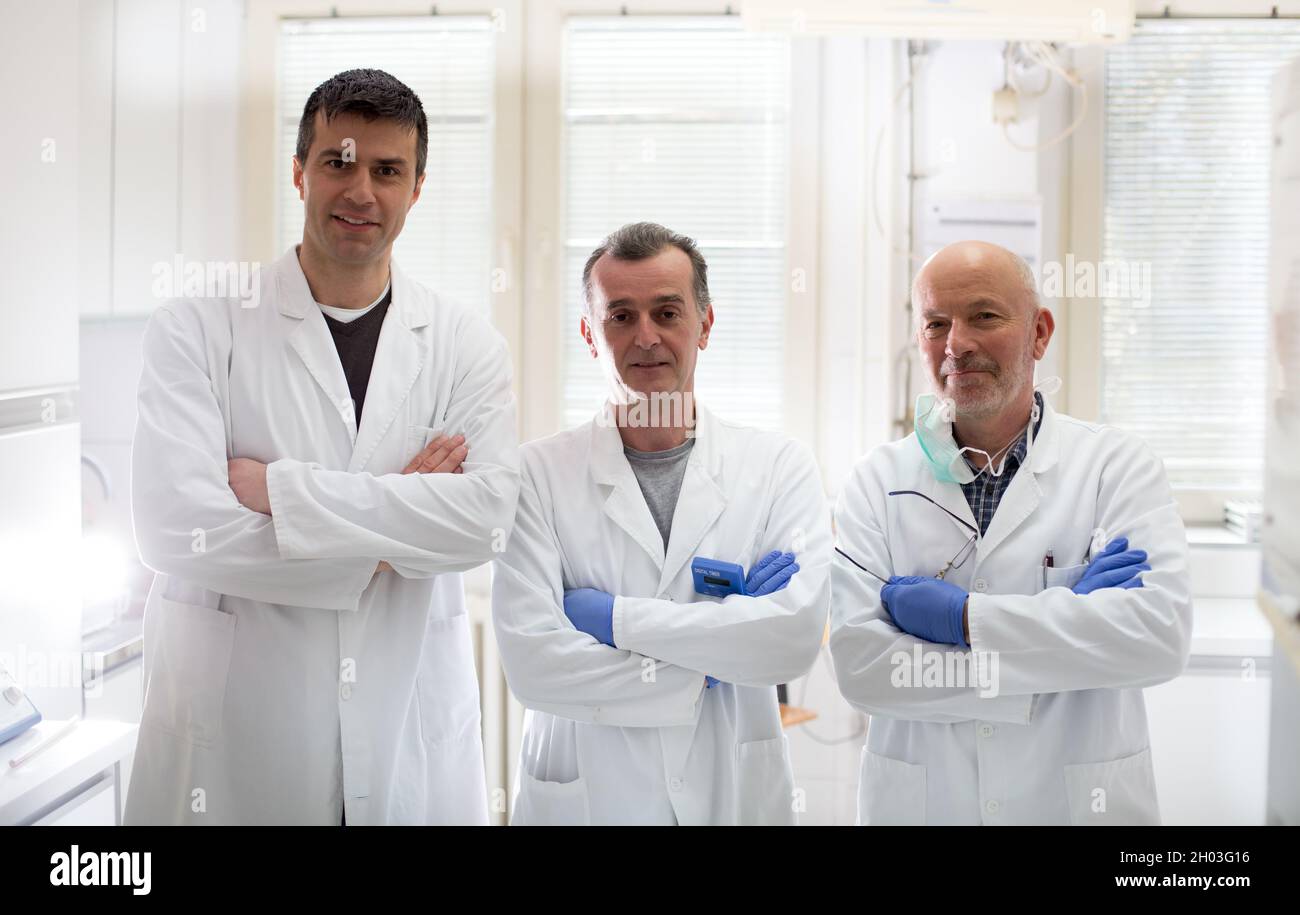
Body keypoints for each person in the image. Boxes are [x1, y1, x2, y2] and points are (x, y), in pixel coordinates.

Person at [125, 69, 520, 825]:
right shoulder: (199, 326)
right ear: (300, 172)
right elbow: (177, 528)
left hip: (407, 730)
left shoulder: (465, 344)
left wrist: (285, 494)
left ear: (417, 186)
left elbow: (485, 522)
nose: (360, 190)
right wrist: (390, 540)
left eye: (386, 169)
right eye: (338, 162)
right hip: (236, 750)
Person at [830, 240, 1192, 825]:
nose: (957, 345)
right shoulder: (876, 481)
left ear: (1039, 333)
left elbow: (1157, 639)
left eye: (984, 317)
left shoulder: (1116, 468)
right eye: (936, 324)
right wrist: (1067, 621)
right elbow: (863, 670)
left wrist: (965, 620)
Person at [491, 222, 829, 825]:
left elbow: (792, 642)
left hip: (732, 792)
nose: (645, 336)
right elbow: (535, 667)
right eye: (620, 315)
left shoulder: (778, 468)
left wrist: (613, 620)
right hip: (589, 798)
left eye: (666, 312)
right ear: (589, 335)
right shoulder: (536, 475)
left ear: (705, 323)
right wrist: (715, 658)